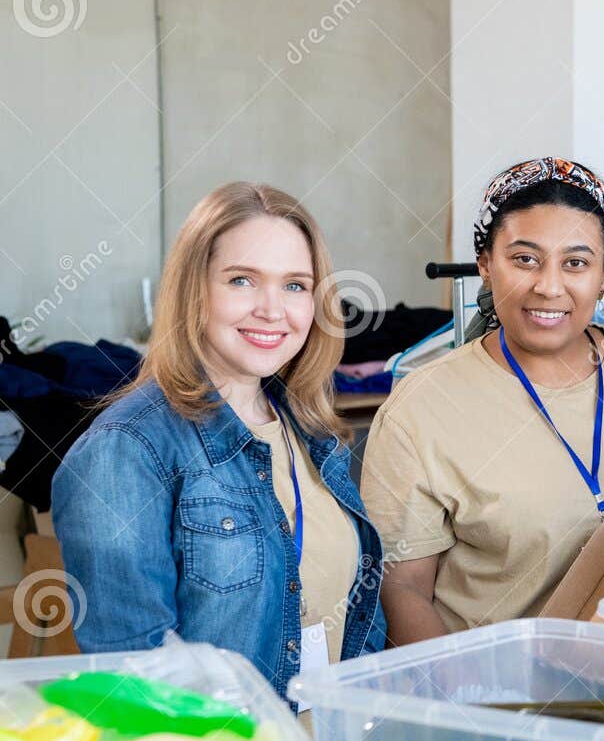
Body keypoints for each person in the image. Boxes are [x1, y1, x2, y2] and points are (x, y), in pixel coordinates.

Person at [54, 182, 384, 697]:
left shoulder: (309, 429)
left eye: (295, 285)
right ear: (194, 290)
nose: (273, 310)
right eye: (242, 280)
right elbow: (133, 679)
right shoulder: (127, 449)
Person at [362, 158, 604, 642]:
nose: (549, 286)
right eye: (525, 259)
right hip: (503, 696)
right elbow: (403, 590)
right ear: (486, 267)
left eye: (576, 263)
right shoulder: (421, 408)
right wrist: (467, 707)